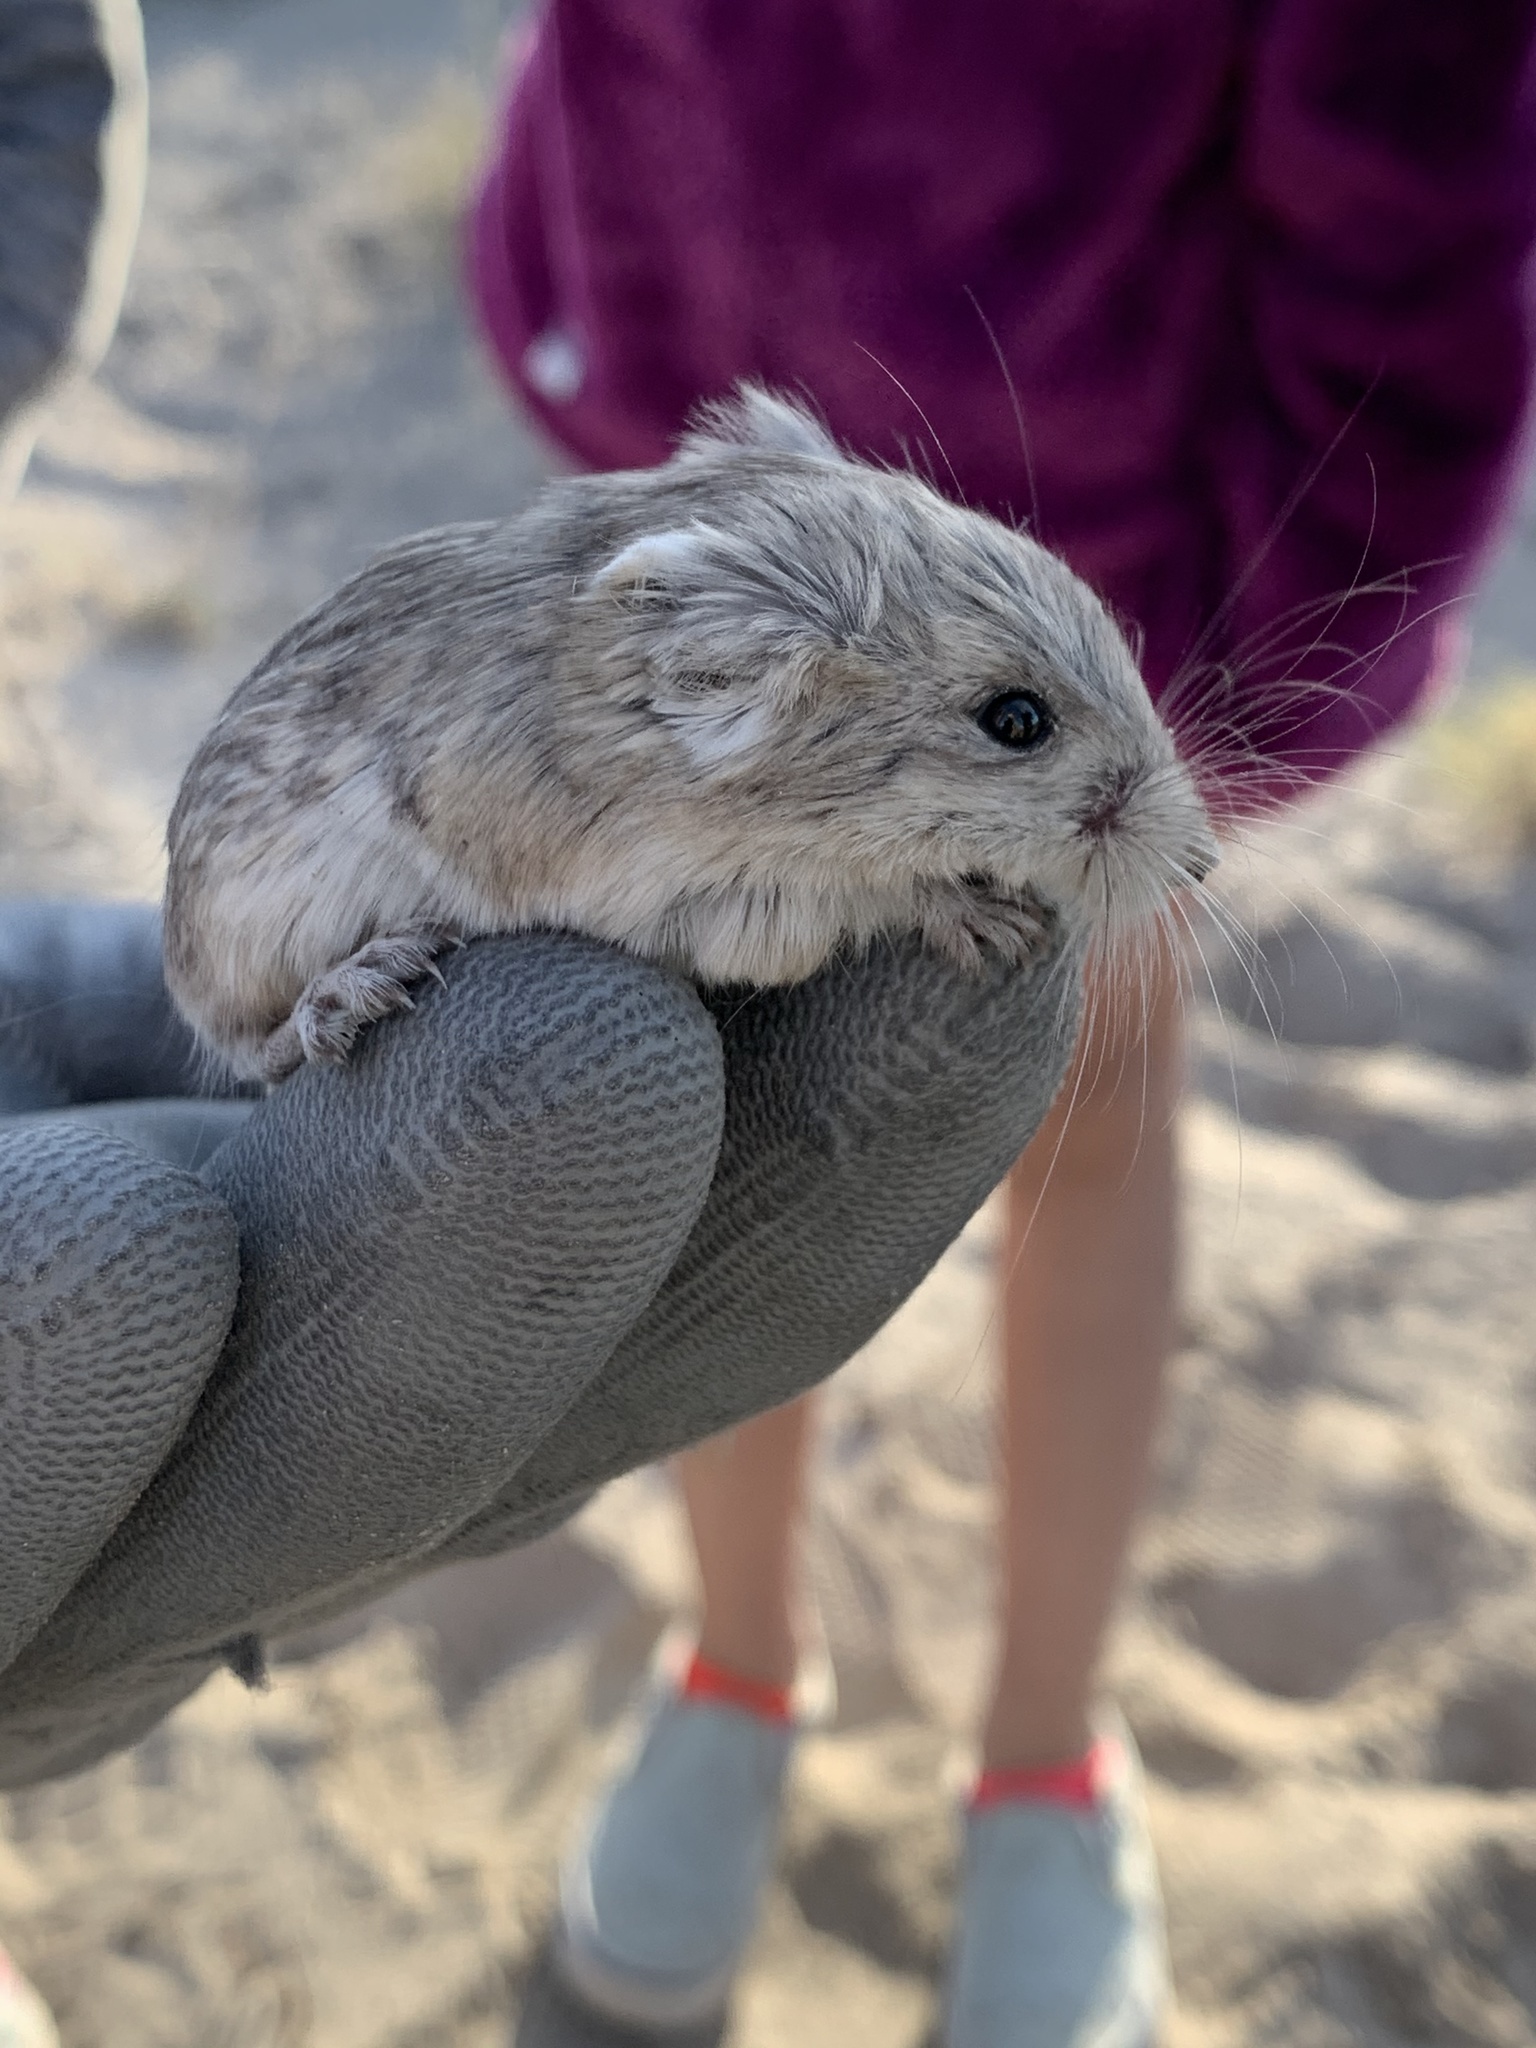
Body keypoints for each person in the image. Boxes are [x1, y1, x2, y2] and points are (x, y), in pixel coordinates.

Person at [468, 5, 1536, 2042]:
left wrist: (1258, 626)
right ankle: (739, 1661)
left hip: (1100, 591)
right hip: (730, 527)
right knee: (733, 1089)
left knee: (1096, 1103)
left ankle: (1045, 1755)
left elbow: (1405, 184)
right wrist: (583, 310)